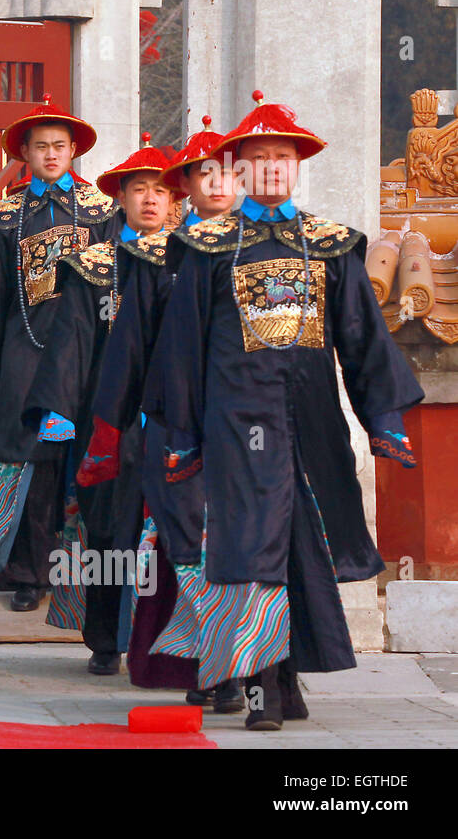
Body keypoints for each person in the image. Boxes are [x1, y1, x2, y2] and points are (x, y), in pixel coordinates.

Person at [141, 93, 423, 730]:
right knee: (250, 542)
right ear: (237, 170)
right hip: (237, 420)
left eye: (283, 158)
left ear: (297, 169)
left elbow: (361, 337)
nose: (272, 168)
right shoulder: (204, 247)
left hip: (313, 420)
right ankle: (260, 686)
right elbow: (181, 347)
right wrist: (182, 432)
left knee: (302, 541)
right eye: (259, 158)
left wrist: (383, 420)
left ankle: (287, 681)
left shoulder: (330, 246)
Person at [78, 115, 244, 711]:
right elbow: (124, 347)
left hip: (249, 427)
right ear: (188, 188)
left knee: (249, 547)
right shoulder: (156, 260)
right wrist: (108, 428)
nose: (217, 185)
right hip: (169, 424)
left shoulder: (267, 251)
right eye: (203, 175)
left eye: (227, 173)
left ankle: (255, 671)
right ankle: (190, 663)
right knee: (177, 546)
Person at [0, 94, 120, 613]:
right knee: (27, 462)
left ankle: (88, 579)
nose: (50, 154)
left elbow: (114, 288)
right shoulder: (2, 217)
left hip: (87, 353)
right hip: (25, 351)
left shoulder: (103, 212)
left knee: (83, 459)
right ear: (24, 151)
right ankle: (25, 573)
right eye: (40, 146)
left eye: (59, 146)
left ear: (74, 152)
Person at [24, 136, 173, 676]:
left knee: (172, 532)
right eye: (139, 190)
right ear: (121, 199)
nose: (151, 200)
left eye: (160, 190)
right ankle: (105, 639)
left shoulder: (191, 259)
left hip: (171, 420)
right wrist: (62, 412)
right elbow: (72, 342)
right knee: (108, 530)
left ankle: (167, 641)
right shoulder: (93, 265)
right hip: (108, 420)